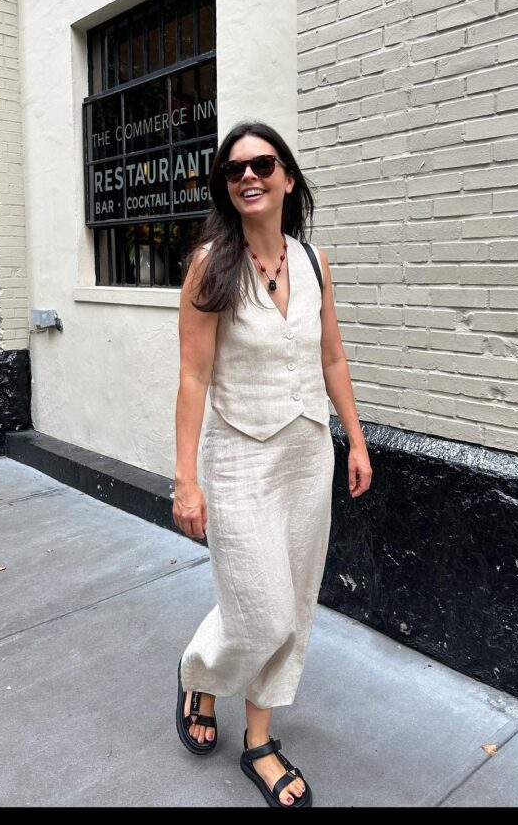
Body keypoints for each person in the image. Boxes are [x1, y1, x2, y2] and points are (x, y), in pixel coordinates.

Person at [173, 121, 372, 808]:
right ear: (225, 188)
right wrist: (186, 480)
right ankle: (199, 674)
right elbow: (193, 377)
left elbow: (332, 358)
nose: (249, 177)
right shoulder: (210, 266)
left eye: (262, 164)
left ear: (288, 176)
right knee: (262, 613)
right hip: (239, 458)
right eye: (234, 170)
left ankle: (258, 741)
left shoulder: (314, 262)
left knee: (293, 604)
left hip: (307, 455)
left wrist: (355, 440)